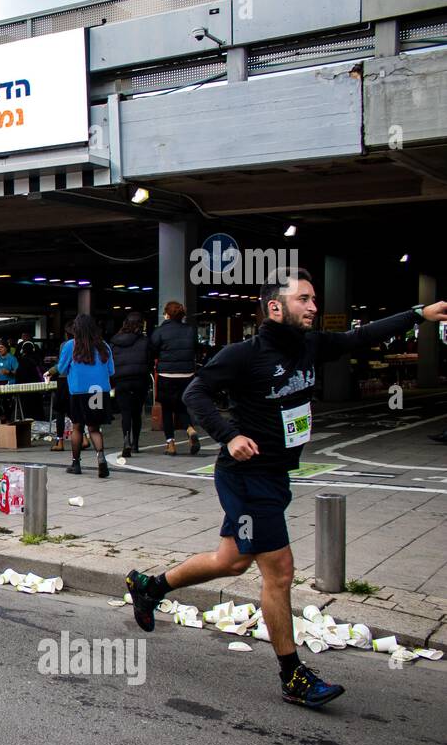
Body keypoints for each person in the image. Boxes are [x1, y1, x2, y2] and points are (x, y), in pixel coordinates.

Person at [127, 273, 447, 708]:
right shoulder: (244, 354)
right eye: (304, 299)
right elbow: (195, 393)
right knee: (278, 573)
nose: (313, 306)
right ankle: (292, 675)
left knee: (232, 561)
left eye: (314, 298)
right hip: (245, 476)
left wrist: (417, 314)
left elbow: (360, 336)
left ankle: (150, 586)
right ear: (275, 308)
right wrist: (229, 435)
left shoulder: (310, 346)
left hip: (275, 474)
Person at [53, 314, 114, 477]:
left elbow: (62, 369)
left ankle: (76, 463)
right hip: (98, 391)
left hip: (78, 392)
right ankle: (101, 460)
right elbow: (111, 371)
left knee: (77, 427)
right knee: (94, 428)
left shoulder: (69, 346)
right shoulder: (104, 346)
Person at [150, 301, 201, 456]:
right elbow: (195, 349)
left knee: (167, 409)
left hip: (167, 375)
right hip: (187, 374)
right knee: (181, 405)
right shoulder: (190, 330)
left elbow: (153, 351)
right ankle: (190, 429)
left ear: (167, 314)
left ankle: (170, 444)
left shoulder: (160, 331)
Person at [110, 312, 150, 458]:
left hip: (121, 380)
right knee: (136, 413)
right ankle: (135, 444)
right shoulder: (145, 341)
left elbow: (110, 361)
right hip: (140, 379)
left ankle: (126, 440)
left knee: (125, 412)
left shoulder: (114, 341)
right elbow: (149, 359)